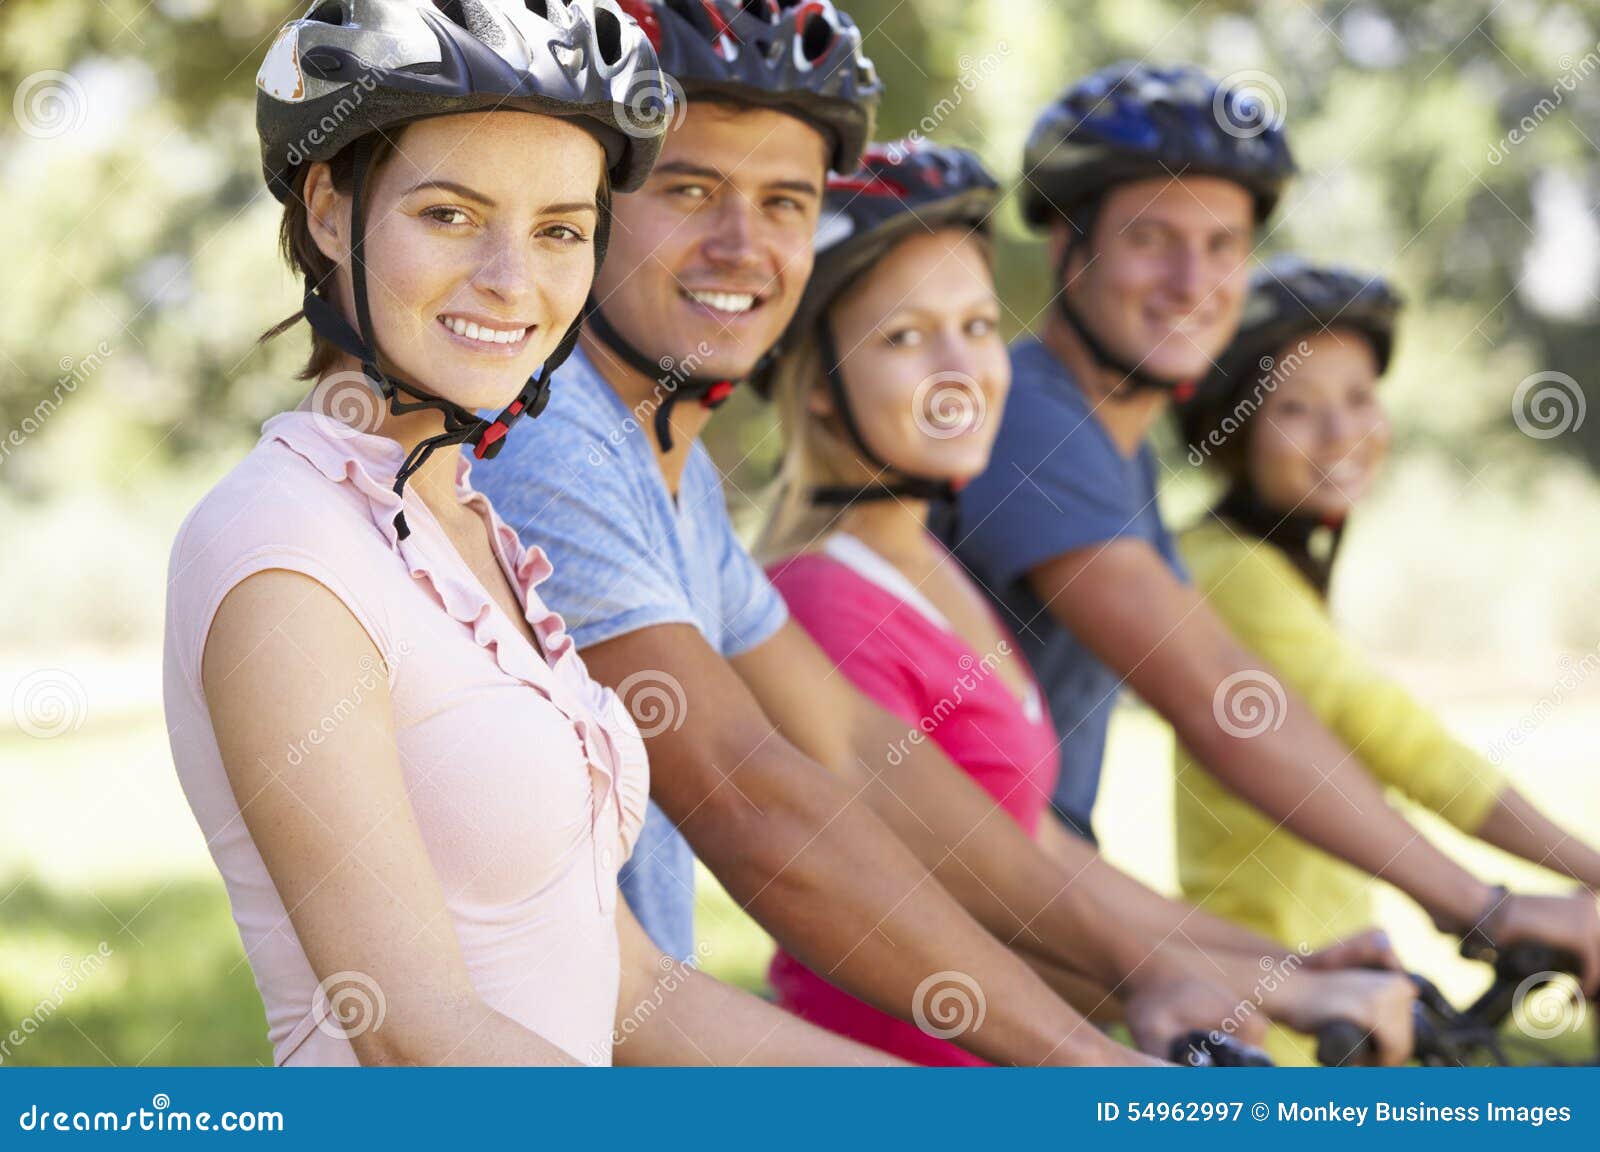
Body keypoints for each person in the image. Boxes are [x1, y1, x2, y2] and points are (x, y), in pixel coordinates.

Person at [477, 0, 1255, 1066]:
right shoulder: (550, 443)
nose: (742, 245)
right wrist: (1090, 1064)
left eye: (784, 200)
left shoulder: (674, 473)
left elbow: (854, 751)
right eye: (690, 189)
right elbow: (755, 800)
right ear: (590, 206)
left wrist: (1147, 969)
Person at [165, 0, 897, 1068]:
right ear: (330, 208)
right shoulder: (286, 550)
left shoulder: (470, 525)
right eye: (450, 214)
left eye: (560, 229)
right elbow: (415, 1029)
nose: (513, 280)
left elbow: (633, 987)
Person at [753, 140, 1419, 1066]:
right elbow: (949, 902)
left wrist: (1281, 969)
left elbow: (1040, 858)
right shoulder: (824, 603)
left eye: (980, 326)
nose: (963, 371)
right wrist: (1210, 985)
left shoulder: (928, 567)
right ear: (819, 385)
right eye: (905, 338)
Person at [950, 60, 1600, 993]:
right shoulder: (1032, 419)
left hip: (1025, 944)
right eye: (1151, 238)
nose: (1193, 280)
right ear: (1065, 247)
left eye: (1224, 245)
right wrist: (1479, 905)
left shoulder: (1113, 449)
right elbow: (1218, 694)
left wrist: (1278, 965)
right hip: (948, 974)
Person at [1172, 257, 1600, 954]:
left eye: (1359, 396)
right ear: (1232, 429)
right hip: (1273, 1013)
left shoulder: (1269, 564)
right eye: (1295, 407)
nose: (1342, 432)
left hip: (1332, 989)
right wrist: (1587, 871)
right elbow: (1400, 740)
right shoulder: (1227, 571)